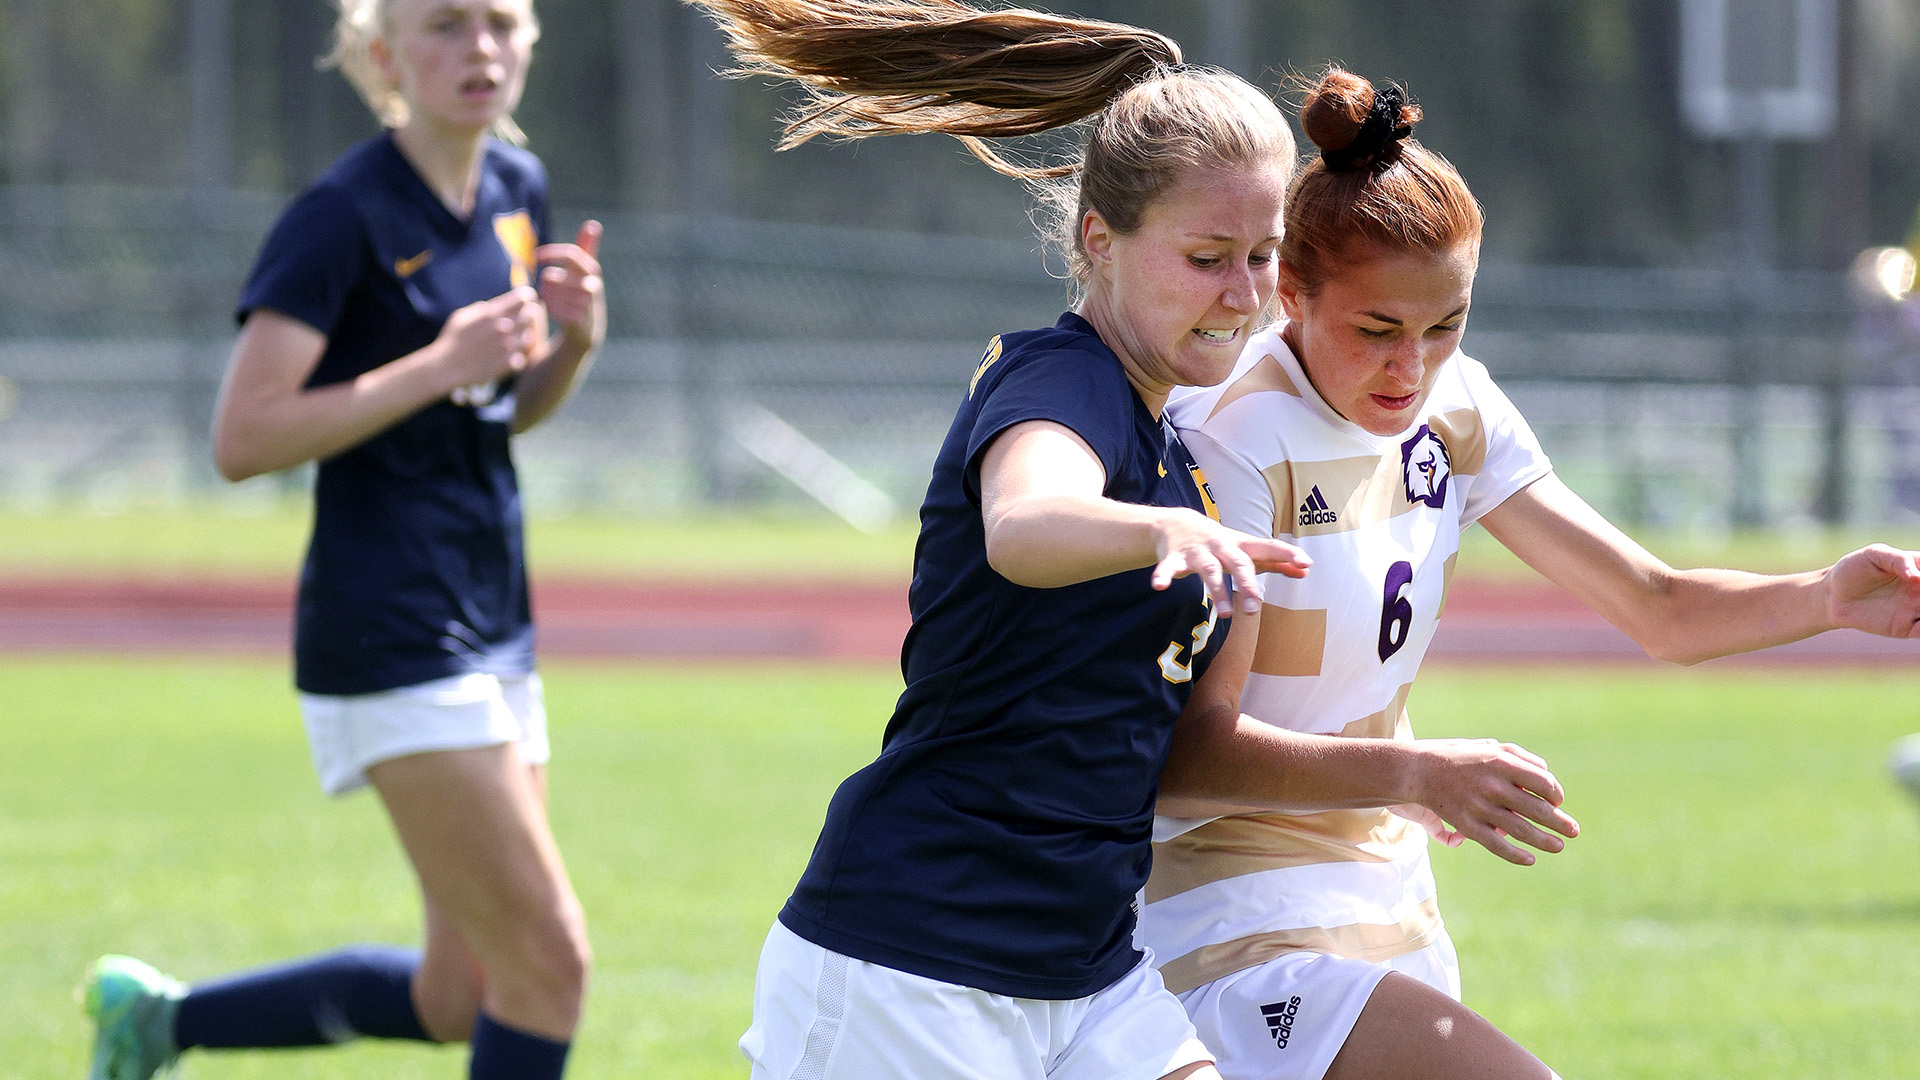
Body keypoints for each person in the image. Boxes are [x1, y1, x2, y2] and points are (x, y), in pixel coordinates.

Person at [1140, 67, 1920, 1080]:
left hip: (1384, 887)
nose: (1410, 368)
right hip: (1226, 906)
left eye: (1445, 325)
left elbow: (1660, 608)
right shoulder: (1230, 435)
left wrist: (1826, 598)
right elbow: (1192, 760)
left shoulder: (1458, 405)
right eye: (1378, 330)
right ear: (1291, 292)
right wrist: (1417, 773)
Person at [682, 2, 1309, 1077]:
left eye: (1263, 254)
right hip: (913, 969)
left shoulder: (1176, 447)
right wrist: (1160, 528)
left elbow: (1169, 750)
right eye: (1209, 256)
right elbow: (1025, 524)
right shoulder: (1060, 381)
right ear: (1097, 240)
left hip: (1087, 970)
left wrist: (1412, 778)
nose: (1244, 294)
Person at [79, 2, 605, 1079]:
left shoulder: (515, 190)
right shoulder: (341, 215)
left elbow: (497, 413)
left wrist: (575, 346)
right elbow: (243, 437)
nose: (482, 49)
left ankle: (156, 1026)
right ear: (382, 56)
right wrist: (436, 363)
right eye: (446, 26)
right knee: (550, 966)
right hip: (392, 624)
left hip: (496, 618)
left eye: (502, 23)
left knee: (464, 993)